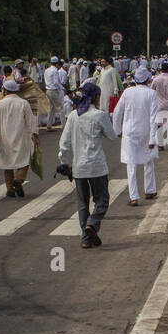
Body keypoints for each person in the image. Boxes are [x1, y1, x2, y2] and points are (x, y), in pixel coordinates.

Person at [59, 81, 118, 248]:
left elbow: (64, 143)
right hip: (96, 166)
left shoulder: (72, 116)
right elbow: (112, 136)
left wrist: (64, 162)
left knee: (83, 203)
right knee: (102, 200)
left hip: (79, 167)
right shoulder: (99, 115)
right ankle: (92, 224)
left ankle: (86, 238)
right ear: (96, 97)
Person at [112, 66, 159, 204]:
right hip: (145, 131)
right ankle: (149, 190)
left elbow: (117, 112)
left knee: (131, 165)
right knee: (148, 160)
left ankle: (134, 197)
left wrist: (117, 131)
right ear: (147, 79)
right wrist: (152, 138)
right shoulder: (151, 93)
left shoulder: (127, 92)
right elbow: (153, 118)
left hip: (129, 132)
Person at [0, 77, 38, 199]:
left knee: (7, 163)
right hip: (21, 136)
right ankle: (19, 179)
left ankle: (10, 188)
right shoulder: (23, 103)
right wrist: (34, 134)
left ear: (5, 90)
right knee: (25, 159)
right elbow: (31, 121)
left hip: (5, 137)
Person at [44, 56, 66, 130]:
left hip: (47, 90)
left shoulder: (46, 70)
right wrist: (62, 88)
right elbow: (56, 82)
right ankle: (64, 126)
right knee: (60, 108)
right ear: (57, 63)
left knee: (51, 108)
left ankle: (49, 125)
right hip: (53, 90)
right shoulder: (55, 71)